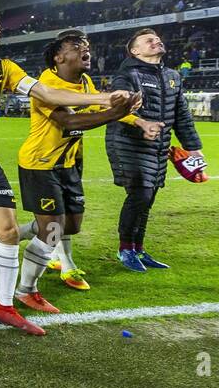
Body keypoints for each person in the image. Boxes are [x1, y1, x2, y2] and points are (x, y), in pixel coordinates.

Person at [0, 11, 132, 335]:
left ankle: (4, 306)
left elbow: (45, 93)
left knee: (8, 232)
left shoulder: (4, 68)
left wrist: (103, 98)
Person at [14, 31, 154, 301]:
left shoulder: (86, 82)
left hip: (69, 163)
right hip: (40, 162)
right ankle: (27, 290)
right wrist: (116, 111)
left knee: (72, 226)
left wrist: (137, 120)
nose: (85, 49)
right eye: (77, 46)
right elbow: (71, 122)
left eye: (86, 45)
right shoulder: (46, 83)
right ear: (59, 56)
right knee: (53, 229)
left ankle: (15, 233)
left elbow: (91, 111)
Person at [104, 28, 203, 271]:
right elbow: (119, 104)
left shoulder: (173, 76)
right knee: (141, 194)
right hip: (128, 143)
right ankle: (125, 250)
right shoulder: (127, 74)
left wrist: (193, 148)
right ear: (134, 50)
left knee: (149, 197)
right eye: (149, 40)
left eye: (158, 39)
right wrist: (141, 124)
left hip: (158, 145)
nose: (156, 41)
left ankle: (138, 249)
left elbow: (181, 114)